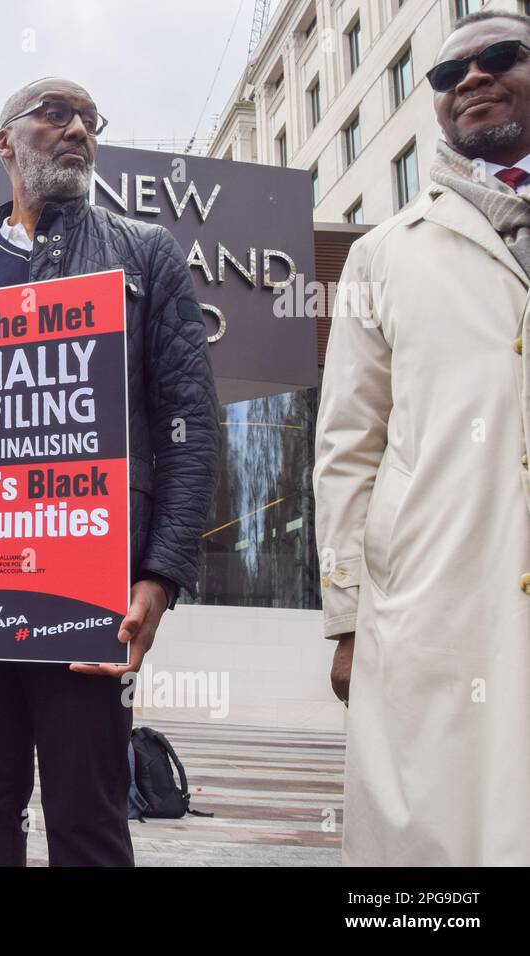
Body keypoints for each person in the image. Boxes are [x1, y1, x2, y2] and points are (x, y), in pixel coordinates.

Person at [0, 78, 221, 866]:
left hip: (88, 598)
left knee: (87, 818)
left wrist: (158, 578)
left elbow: (190, 431)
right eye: (56, 115)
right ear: (4, 143)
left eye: (91, 120)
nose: (78, 130)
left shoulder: (144, 255)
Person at [315, 10, 530, 866]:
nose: (470, 79)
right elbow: (347, 447)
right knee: (430, 852)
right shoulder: (381, 256)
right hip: (430, 608)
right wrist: (346, 618)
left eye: (499, 58)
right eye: (445, 76)